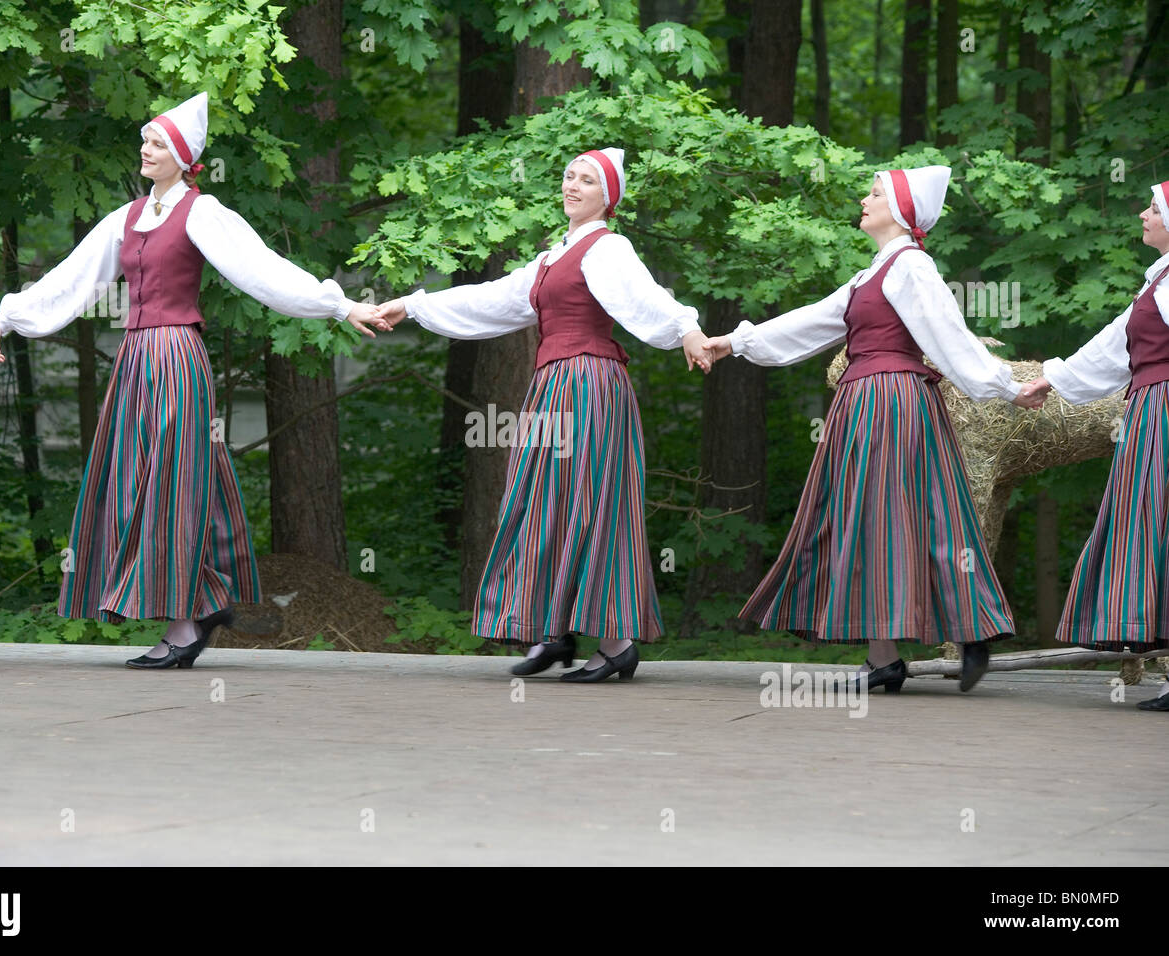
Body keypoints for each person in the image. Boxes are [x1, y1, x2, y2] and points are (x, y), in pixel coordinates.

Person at [0, 92, 384, 668]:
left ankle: (188, 621)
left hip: (175, 358)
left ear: (183, 156)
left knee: (173, 484)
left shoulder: (203, 212)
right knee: (153, 481)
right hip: (135, 360)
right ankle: (207, 603)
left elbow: (262, 270)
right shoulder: (128, 218)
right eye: (144, 140)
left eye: (157, 143)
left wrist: (340, 307)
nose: (145, 150)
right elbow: (70, 280)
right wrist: (3, 320)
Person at [699, 165, 1043, 693]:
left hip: (892, 403)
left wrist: (1006, 386)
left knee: (915, 516)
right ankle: (884, 658)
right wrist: (732, 342)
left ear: (901, 211)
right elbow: (813, 321)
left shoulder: (912, 268)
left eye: (876, 193)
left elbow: (951, 338)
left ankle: (972, 629)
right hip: (864, 403)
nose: (865, 199)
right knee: (868, 520)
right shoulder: (873, 274)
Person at [375, 148, 710, 682]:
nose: (573, 186)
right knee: (541, 497)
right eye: (569, 176)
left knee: (591, 500)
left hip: (590, 385)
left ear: (609, 197)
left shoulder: (608, 248)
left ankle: (618, 642)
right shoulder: (553, 257)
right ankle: (552, 632)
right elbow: (493, 300)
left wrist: (686, 329)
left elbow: (648, 300)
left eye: (588, 180)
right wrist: (413, 305)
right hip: (552, 384)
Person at [1020, 181, 1169, 711]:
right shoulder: (1158, 283)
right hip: (1151, 410)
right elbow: (1112, 347)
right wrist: (1050, 379)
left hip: (1164, 410)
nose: (1142, 214)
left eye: (1152, 208)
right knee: (1155, 530)